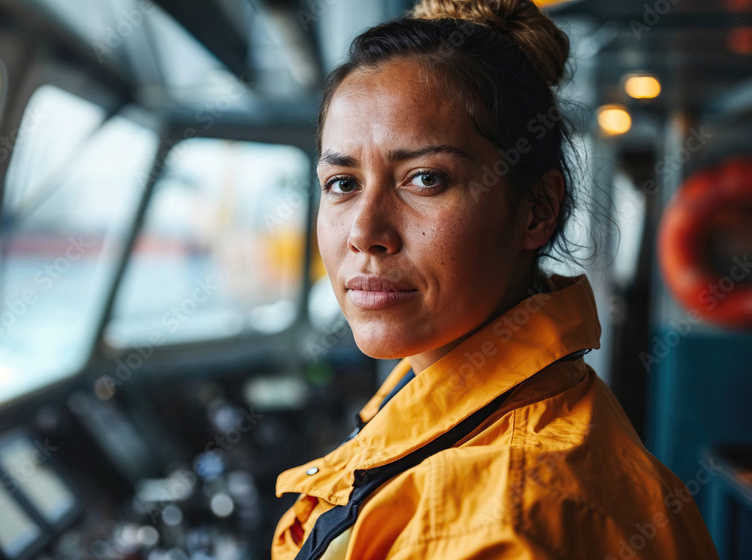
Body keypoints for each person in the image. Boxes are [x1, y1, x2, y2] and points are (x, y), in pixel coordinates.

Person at [270, 0, 720, 558]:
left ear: (536, 210)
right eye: (341, 182)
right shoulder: (433, 392)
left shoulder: (506, 521)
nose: (364, 231)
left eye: (425, 179)